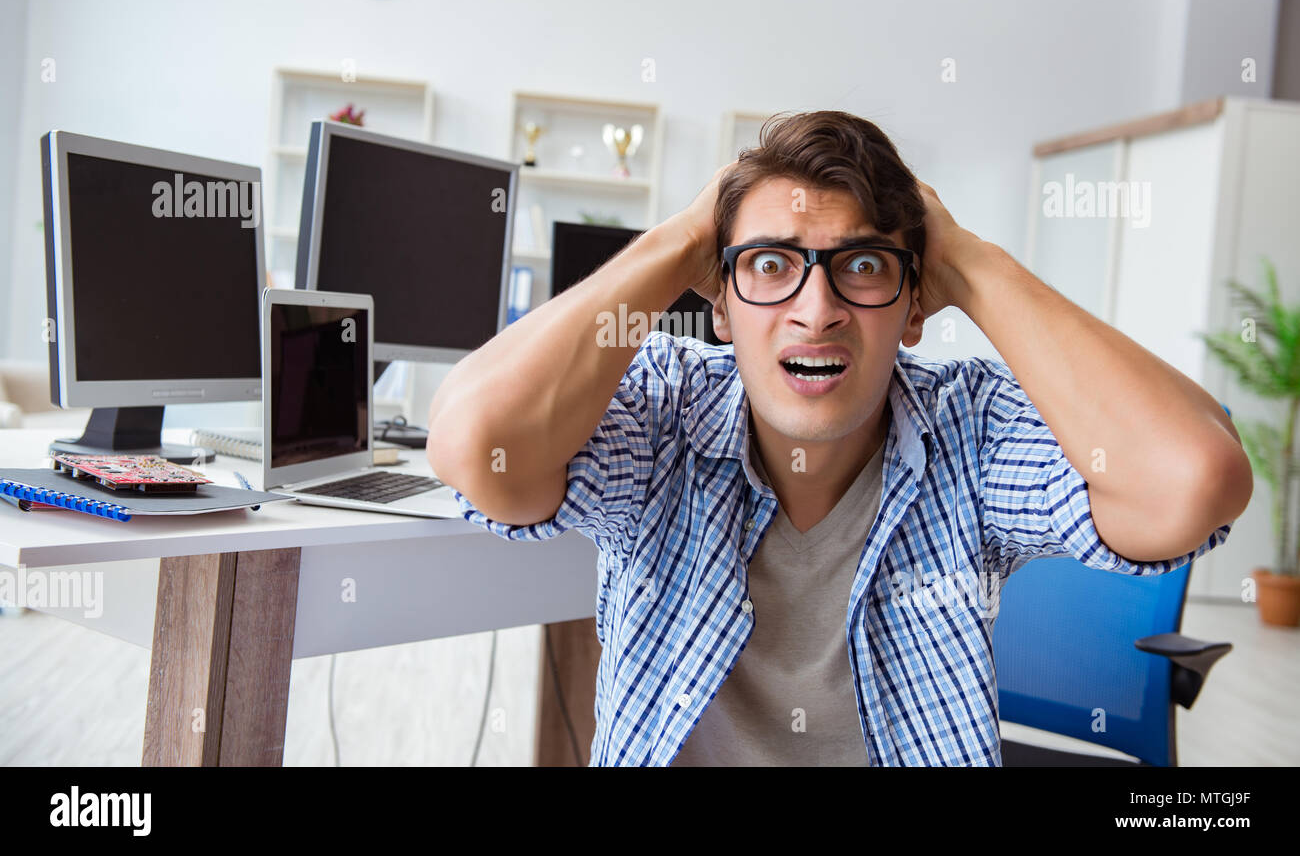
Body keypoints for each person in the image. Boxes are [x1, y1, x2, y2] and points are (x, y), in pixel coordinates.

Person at [427, 110, 1252, 766]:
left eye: (862, 266)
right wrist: (684, 237)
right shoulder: (663, 413)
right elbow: (475, 443)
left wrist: (965, 259)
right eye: (770, 264)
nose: (816, 309)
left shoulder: (968, 434)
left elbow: (1193, 476)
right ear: (719, 303)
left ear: (914, 305)